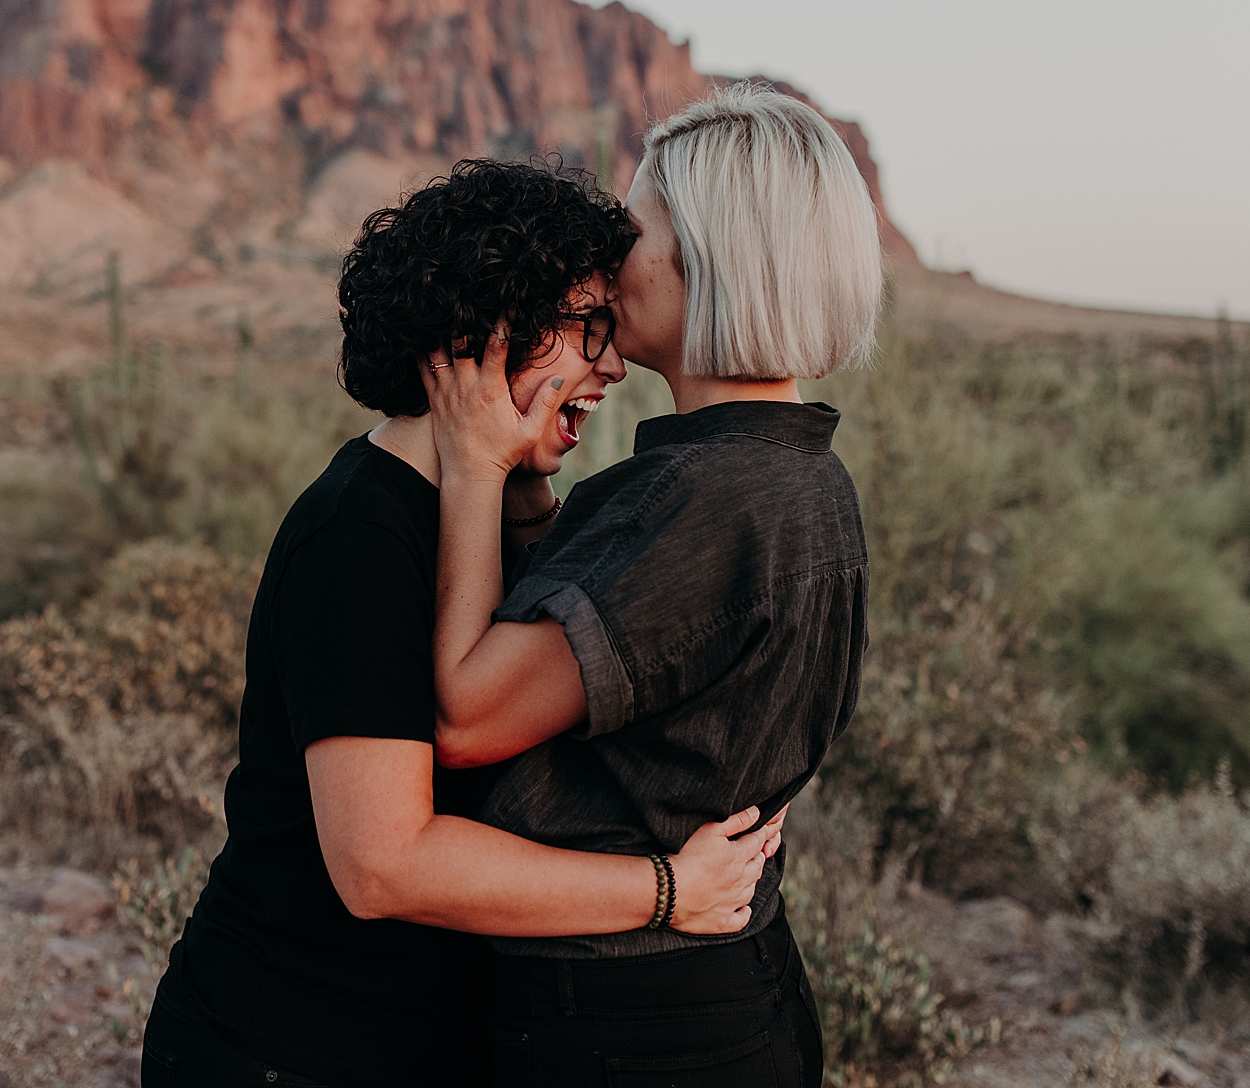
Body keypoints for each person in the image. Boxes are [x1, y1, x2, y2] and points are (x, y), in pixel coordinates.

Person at [142, 159, 784, 1088]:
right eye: (582, 328)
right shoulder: (358, 533)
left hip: (429, 1040)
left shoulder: (502, 515)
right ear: (484, 334)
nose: (610, 364)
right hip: (290, 1043)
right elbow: (382, 866)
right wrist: (668, 893)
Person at [422, 86, 887, 1086]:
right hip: (731, 978)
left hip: (622, 1017)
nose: (608, 260)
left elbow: (467, 714)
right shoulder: (806, 478)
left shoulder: (696, 496)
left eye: (635, 230)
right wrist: (540, 487)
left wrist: (472, 466)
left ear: (705, 258)